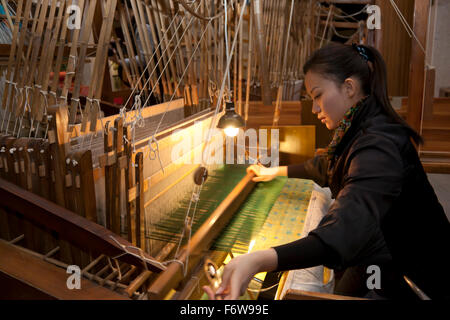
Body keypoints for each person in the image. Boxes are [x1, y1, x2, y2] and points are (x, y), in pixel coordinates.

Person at [203, 43, 450, 300]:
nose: (315, 109)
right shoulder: (358, 128)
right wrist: (274, 172)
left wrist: (258, 260)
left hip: (419, 276)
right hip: (382, 247)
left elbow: (345, 228)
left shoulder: (378, 143)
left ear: (349, 88)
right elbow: (329, 166)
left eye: (318, 95)